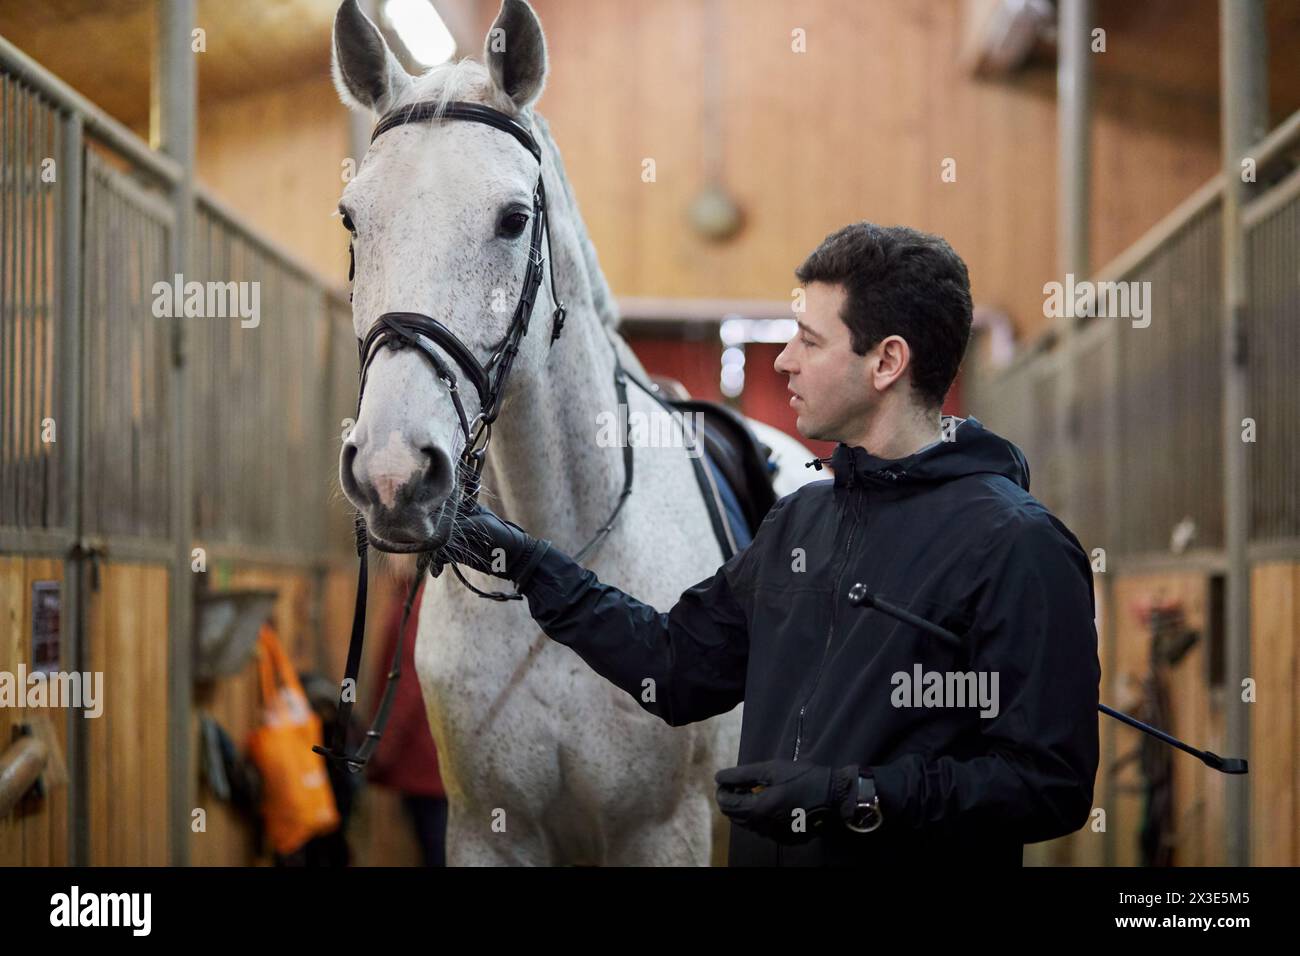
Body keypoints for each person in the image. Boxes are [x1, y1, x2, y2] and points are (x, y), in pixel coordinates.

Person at [442, 222, 1100, 866]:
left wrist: (855, 797)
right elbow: (674, 666)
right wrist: (526, 563)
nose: (784, 359)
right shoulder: (801, 521)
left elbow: (1048, 785)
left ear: (888, 362)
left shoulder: (1018, 545)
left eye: (809, 341)